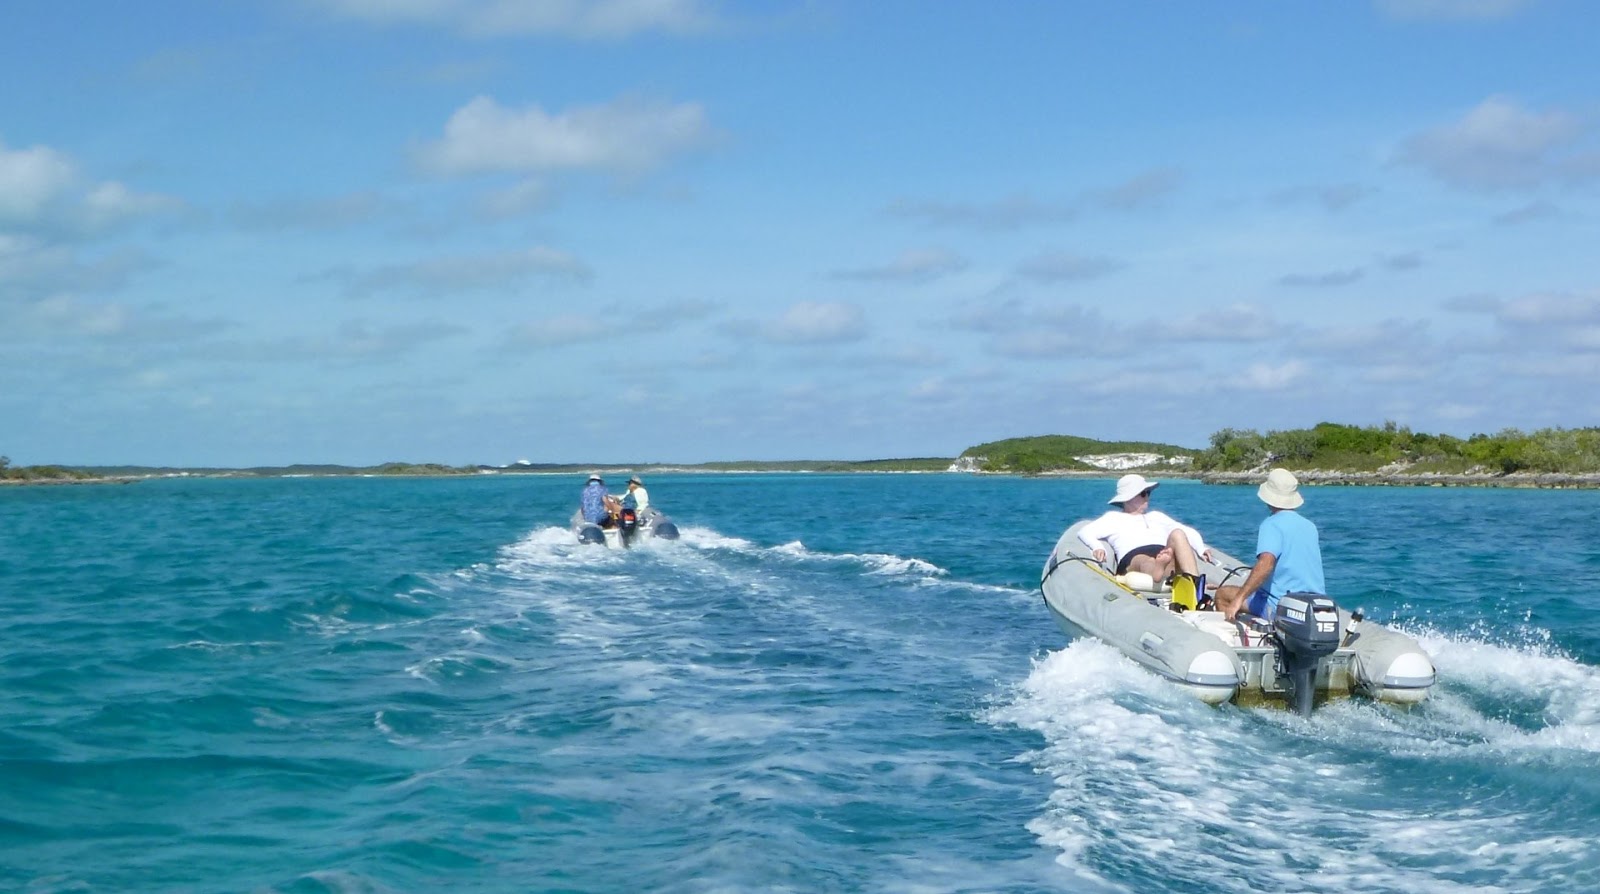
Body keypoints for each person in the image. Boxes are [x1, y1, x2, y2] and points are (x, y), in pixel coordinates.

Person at [1214, 468, 1325, 621]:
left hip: (1279, 606)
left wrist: (1238, 600)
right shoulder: (1310, 526)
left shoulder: (1271, 524)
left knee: (1223, 595)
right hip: (1312, 605)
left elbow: (1266, 563)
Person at [1078, 473, 1211, 583]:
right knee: (1145, 560)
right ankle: (1157, 569)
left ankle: (1194, 584)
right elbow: (1085, 531)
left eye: (1148, 493)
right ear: (1127, 498)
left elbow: (1188, 532)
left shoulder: (1157, 516)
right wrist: (1097, 547)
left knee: (1178, 533)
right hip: (1134, 557)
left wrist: (1201, 549)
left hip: (1163, 553)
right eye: (1143, 493)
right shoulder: (1113, 518)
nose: (1147, 497)